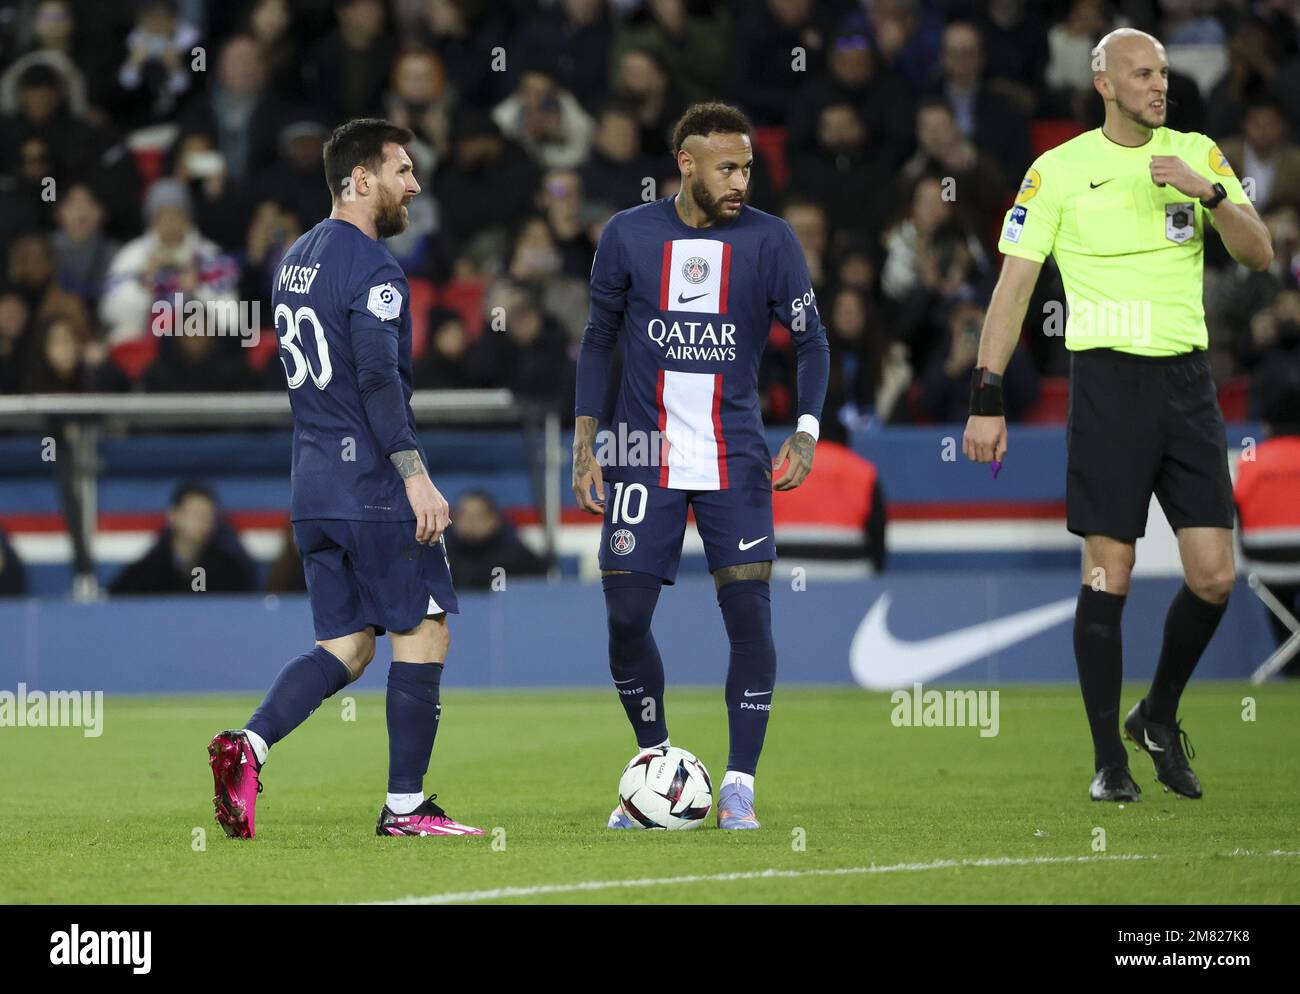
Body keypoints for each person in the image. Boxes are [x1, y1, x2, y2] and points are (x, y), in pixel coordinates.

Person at [963, 29, 1273, 802]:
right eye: (1141, 73)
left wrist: (1209, 194)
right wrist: (987, 397)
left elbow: (1261, 254)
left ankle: (1157, 715)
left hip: (1188, 384)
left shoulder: (1197, 155)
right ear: (1103, 83)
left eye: (1162, 72)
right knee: (1111, 571)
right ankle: (1109, 763)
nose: (1158, 84)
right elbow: (1014, 286)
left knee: (1214, 576)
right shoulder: (1059, 170)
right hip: (1107, 384)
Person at [207, 118, 481, 840]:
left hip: (313, 486)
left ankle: (249, 744)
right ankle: (406, 808)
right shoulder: (374, 268)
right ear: (361, 180)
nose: (414, 185)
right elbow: (377, 379)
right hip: (373, 488)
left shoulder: (294, 259)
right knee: (424, 629)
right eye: (402, 171)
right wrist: (415, 477)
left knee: (349, 646)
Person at [573, 102, 829, 830]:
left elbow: (812, 342)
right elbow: (597, 340)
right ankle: (657, 768)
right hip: (643, 455)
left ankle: (739, 785)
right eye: (726, 168)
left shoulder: (771, 240)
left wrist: (805, 431)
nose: (740, 181)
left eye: (746, 167)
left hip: (734, 456)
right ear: (686, 165)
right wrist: (586, 443)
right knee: (626, 618)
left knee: (748, 617)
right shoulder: (628, 234)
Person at [109, 481, 256, 595]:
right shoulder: (148, 570)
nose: (204, 522)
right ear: (174, 516)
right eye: (197, 515)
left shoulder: (228, 571)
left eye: (209, 516)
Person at [444, 490, 548, 590]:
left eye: (477, 516)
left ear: (494, 520)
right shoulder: (443, 558)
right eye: (464, 516)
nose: (470, 522)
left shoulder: (516, 558)